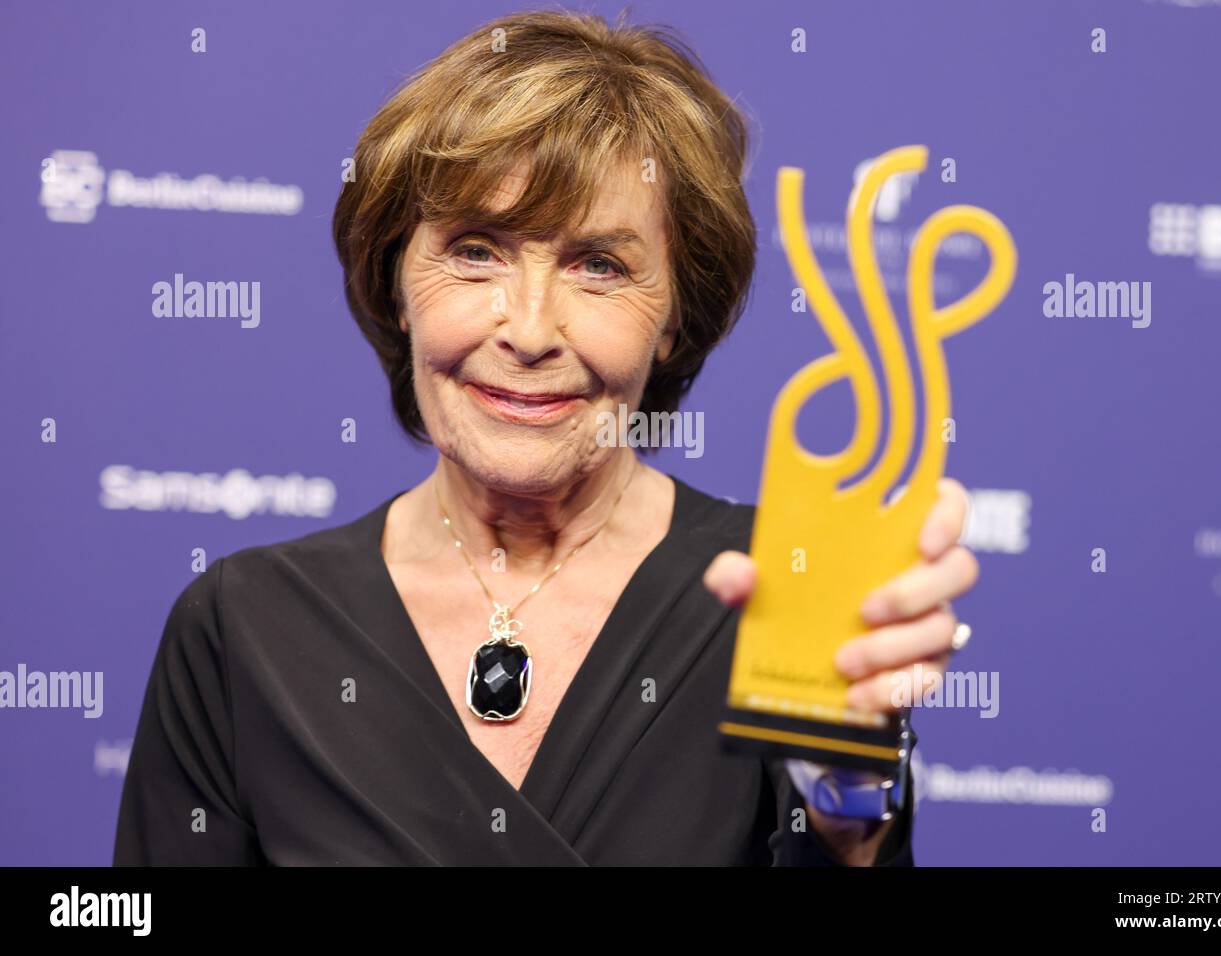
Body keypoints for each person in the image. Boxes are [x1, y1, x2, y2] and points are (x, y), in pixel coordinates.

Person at [113, 9, 978, 867]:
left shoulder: (780, 592)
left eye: (598, 265)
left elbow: (846, 833)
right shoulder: (245, 628)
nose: (528, 331)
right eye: (476, 251)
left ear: (675, 317)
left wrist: (848, 803)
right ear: (396, 283)